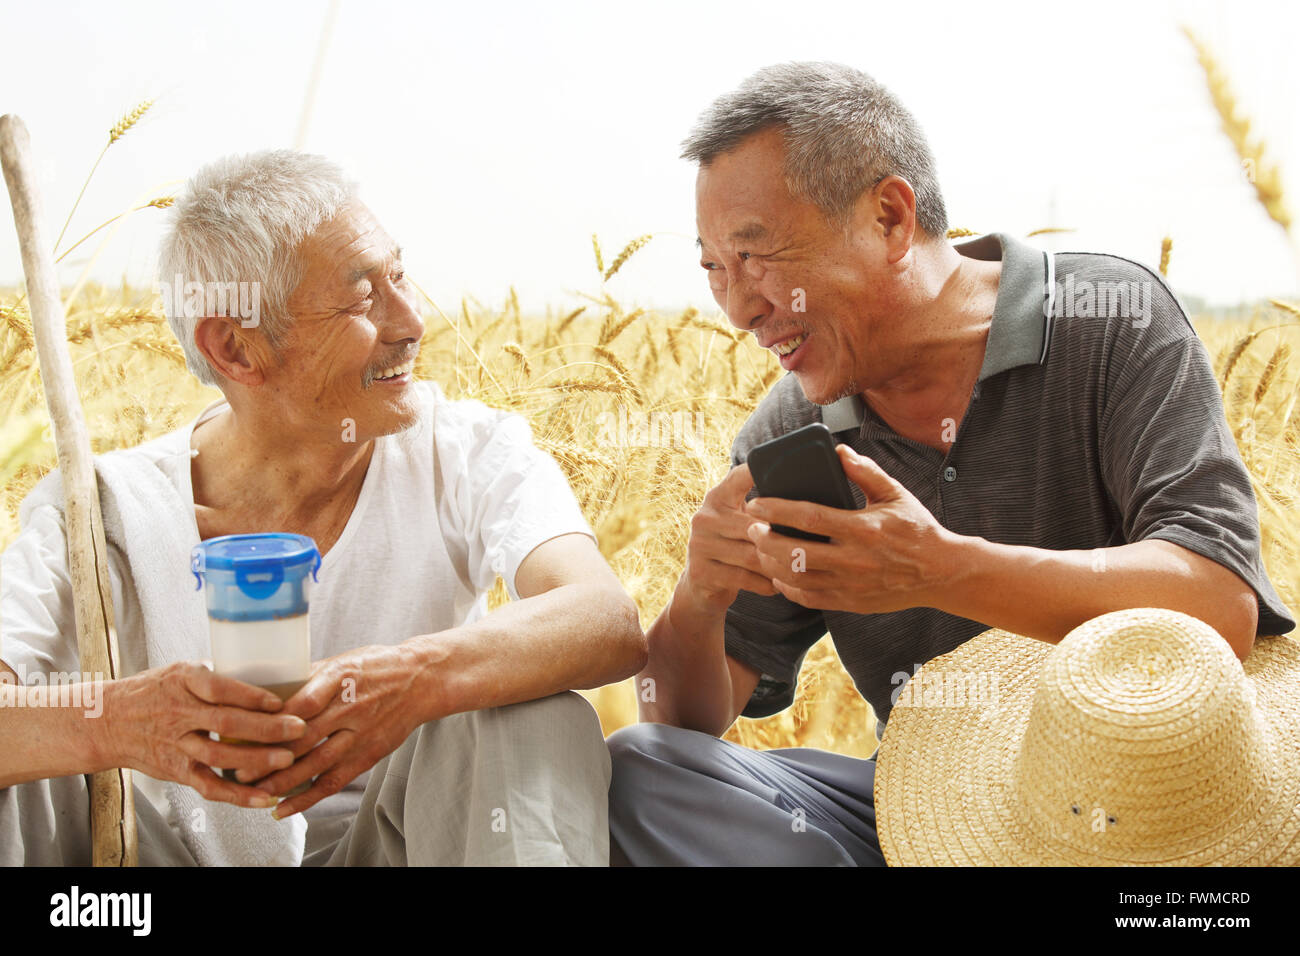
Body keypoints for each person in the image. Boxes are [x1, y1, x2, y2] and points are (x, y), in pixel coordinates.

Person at [607, 61, 1295, 866]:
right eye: (715, 268)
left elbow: (1219, 605)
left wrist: (938, 569)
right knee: (637, 771)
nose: (738, 306)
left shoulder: (1110, 322)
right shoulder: (788, 435)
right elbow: (684, 721)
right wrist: (700, 595)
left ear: (890, 219)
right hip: (926, 823)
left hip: (1151, 816)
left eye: (757, 256)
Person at [0, 150, 647, 866]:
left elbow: (605, 619)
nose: (412, 322)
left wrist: (414, 678)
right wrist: (122, 723)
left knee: (534, 716)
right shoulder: (100, 511)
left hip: (387, 847)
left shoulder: (466, 452)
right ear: (236, 347)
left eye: (398, 278)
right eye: (363, 299)